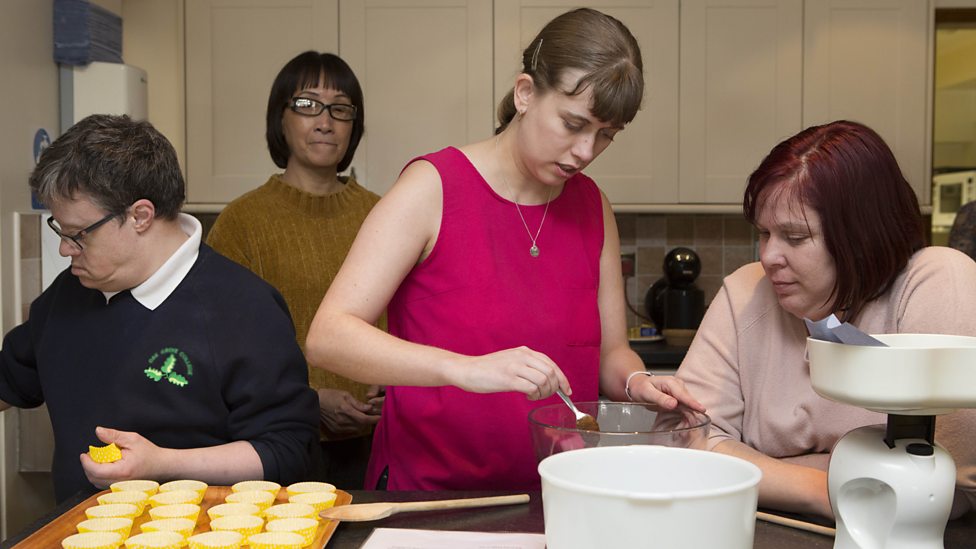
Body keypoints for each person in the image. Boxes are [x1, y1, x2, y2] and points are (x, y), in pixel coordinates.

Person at [305, 7, 703, 491]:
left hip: (560, 492)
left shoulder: (593, 206)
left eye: (605, 135)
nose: (585, 151)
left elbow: (611, 354)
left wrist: (639, 385)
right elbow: (329, 336)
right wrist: (463, 368)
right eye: (573, 124)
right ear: (525, 93)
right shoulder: (432, 188)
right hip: (432, 497)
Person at [0, 114, 320, 502]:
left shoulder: (244, 308)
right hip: (84, 527)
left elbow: (287, 450)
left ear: (140, 216)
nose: (66, 250)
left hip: (202, 528)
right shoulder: (71, 291)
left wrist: (162, 463)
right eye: (60, 231)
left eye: (78, 235)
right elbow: (12, 377)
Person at [675, 120, 976, 519]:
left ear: (862, 235)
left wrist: (754, 465)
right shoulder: (745, 291)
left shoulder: (936, 279)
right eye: (764, 233)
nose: (768, 257)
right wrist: (830, 489)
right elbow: (687, 445)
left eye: (795, 237)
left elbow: (947, 485)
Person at [206, 51, 382, 489]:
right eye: (307, 105)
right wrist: (311, 399)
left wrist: (398, 389)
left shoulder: (383, 212)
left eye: (340, 108)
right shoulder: (241, 222)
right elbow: (219, 345)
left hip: (381, 443)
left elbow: (411, 318)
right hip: (280, 445)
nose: (325, 122)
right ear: (279, 119)